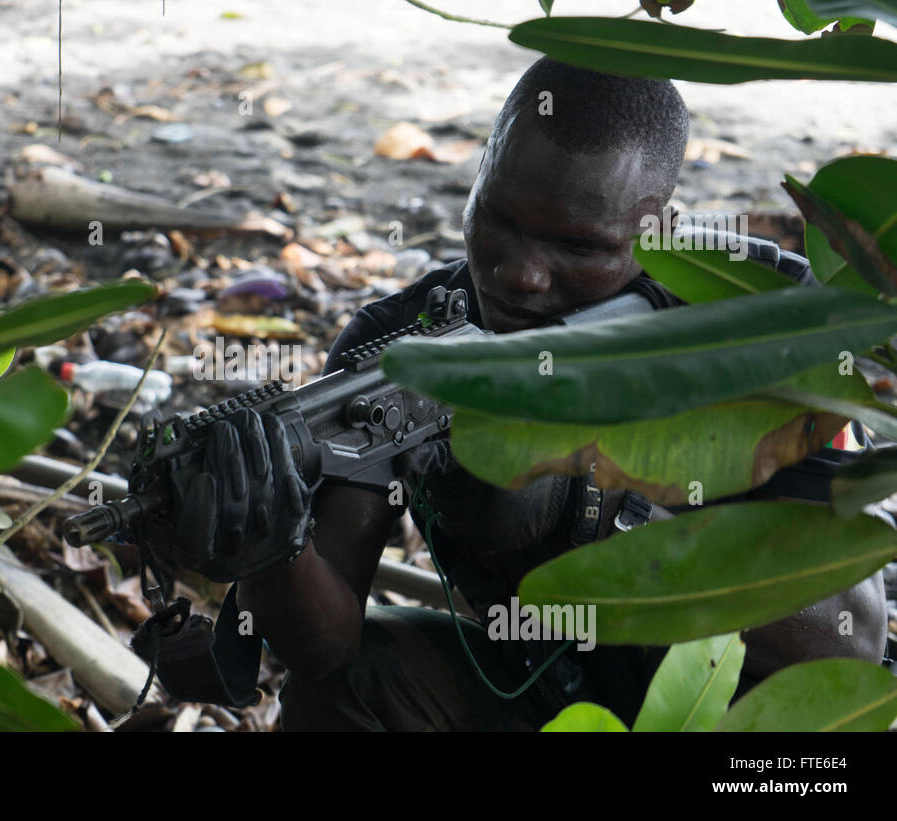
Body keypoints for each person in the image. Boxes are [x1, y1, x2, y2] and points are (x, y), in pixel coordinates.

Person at [160, 58, 893, 731]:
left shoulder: (757, 330)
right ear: (479, 172)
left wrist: (594, 508)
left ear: (655, 228)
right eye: (499, 220)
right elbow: (327, 651)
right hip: (542, 695)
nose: (520, 275)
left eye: (578, 248)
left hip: (743, 725)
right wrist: (272, 546)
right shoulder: (404, 349)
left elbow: (849, 638)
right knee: (354, 691)